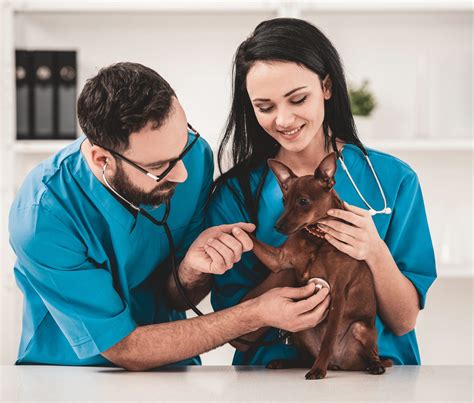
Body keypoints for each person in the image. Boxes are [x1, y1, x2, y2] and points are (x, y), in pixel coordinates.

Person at [9, 62, 330, 370]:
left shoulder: (195, 157)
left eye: (181, 148)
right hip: (72, 375)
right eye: (159, 167)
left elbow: (177, 298)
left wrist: (191, 269)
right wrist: (256, 313)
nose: (181, 175)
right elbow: (125, 348)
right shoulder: (43, 216)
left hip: (173, 366)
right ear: (101, 159)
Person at [208, 18, 437, 367]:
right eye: (265, 107)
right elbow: (237, 332)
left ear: (327, 87)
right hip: (270, 381)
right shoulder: (236, 193)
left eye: (298, 98)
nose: (283, 119)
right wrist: (292, 266)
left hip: (373, 379)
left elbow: (404, 320)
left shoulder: (392, 180)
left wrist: (373, 251)